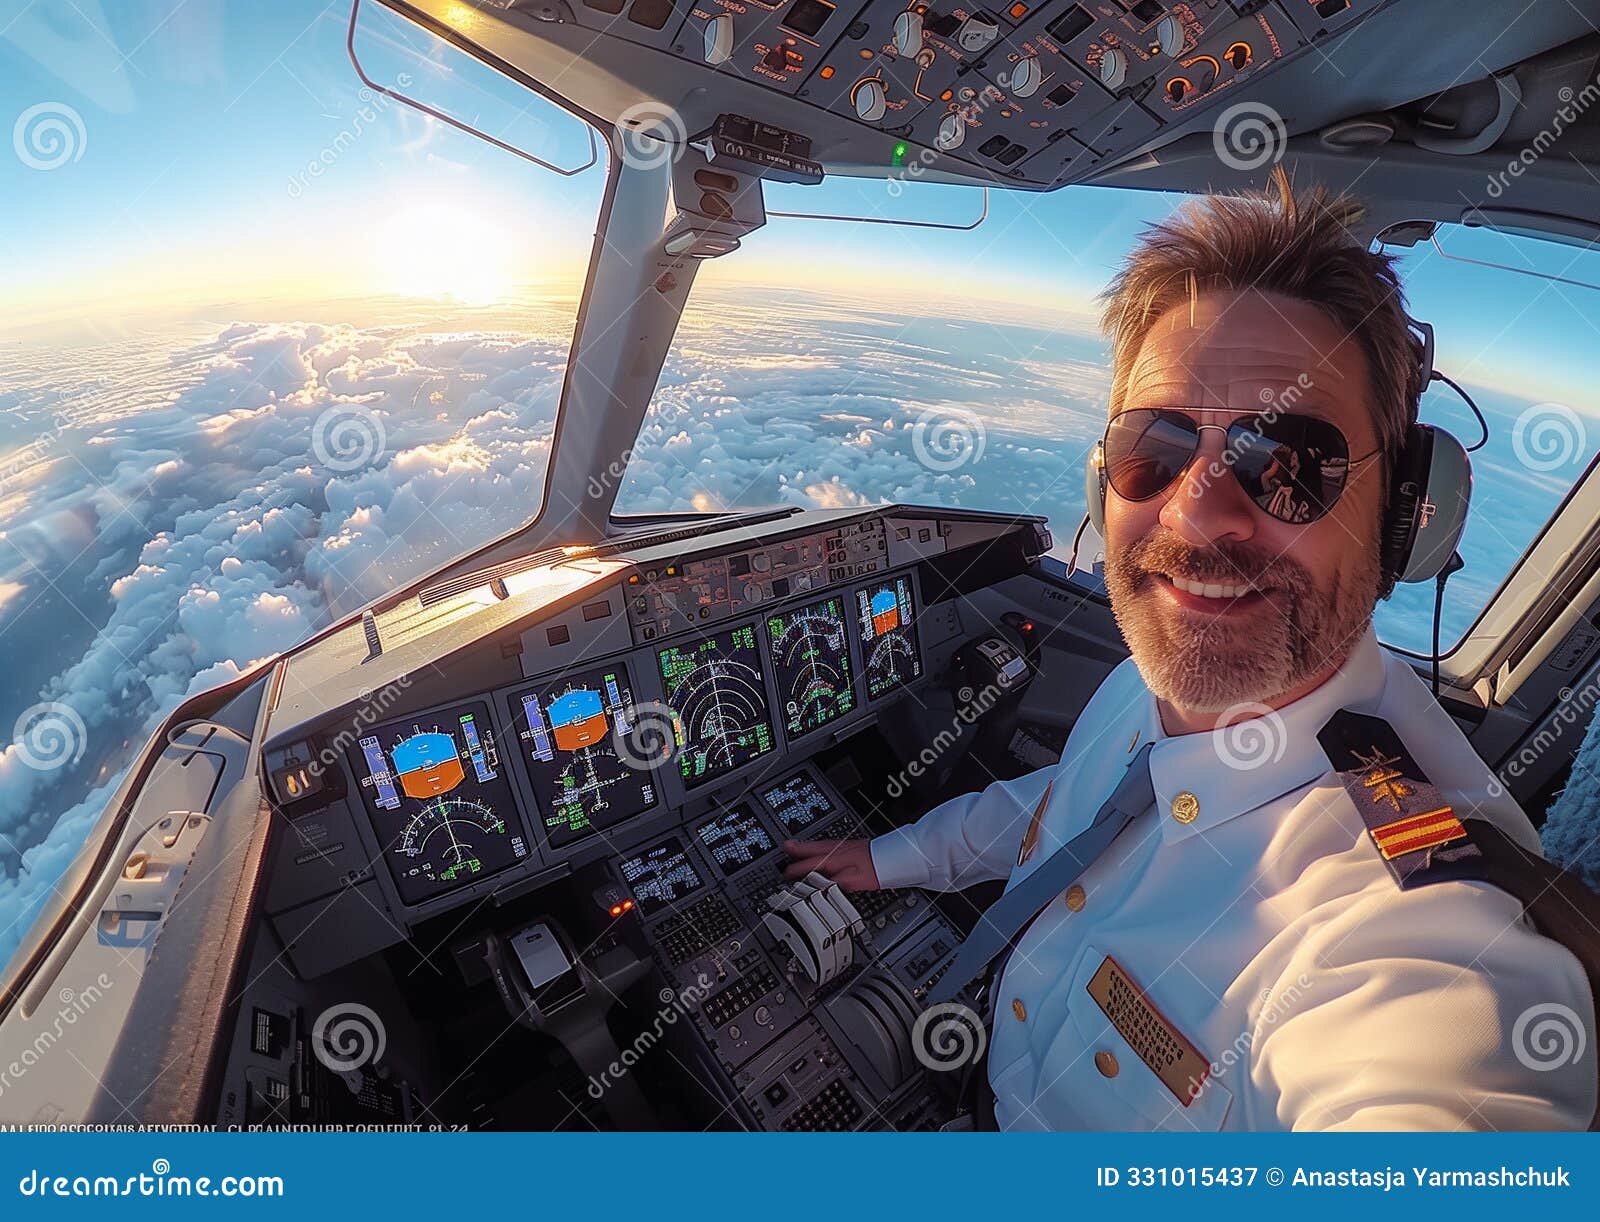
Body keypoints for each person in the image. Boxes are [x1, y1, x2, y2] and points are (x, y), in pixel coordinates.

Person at [783, 169, 1597, 1131]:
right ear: (1104, 486)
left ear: (1403, 518)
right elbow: (1067, 807)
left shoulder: (1415, 937)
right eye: (1156, 450)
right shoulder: (1147, 685)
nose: (1198, 513)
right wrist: (894, 856)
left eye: (1289, 465)